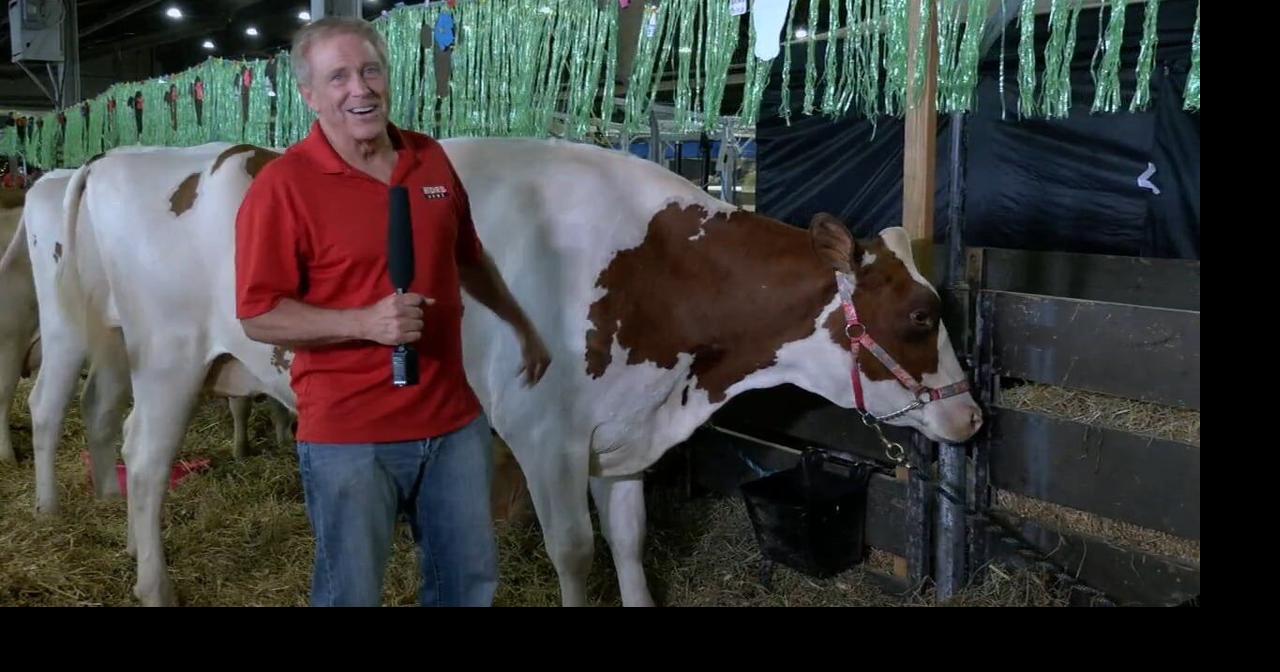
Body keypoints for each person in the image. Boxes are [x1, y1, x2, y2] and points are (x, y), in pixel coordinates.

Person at [234, 16, 551, 607]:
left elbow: (468, 259)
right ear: (310, 95)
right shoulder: (284, 187)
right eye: (339, 77)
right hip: (350, 437)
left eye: (370, 69)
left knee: (467, 586)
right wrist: (362, 322)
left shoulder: (429, 158)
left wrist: (524, 325)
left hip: (454, 425)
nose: (361, 88)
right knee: (350, 594)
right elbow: (258, 315)